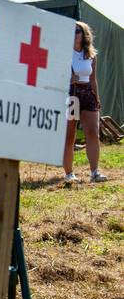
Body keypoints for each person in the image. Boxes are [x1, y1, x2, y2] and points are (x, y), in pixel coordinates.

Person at [64, 21, 108, 183]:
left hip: (87, 93)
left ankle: (94, 172)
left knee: (93, 133)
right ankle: (69, 173)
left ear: (84, 34)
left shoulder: (90, 54)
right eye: (72, 31)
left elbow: (93, 79)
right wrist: (69, 79)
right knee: (70, 136)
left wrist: (96, 97)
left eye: (77, 31)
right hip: (72, 94)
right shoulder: (64, 53)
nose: (74, 34)